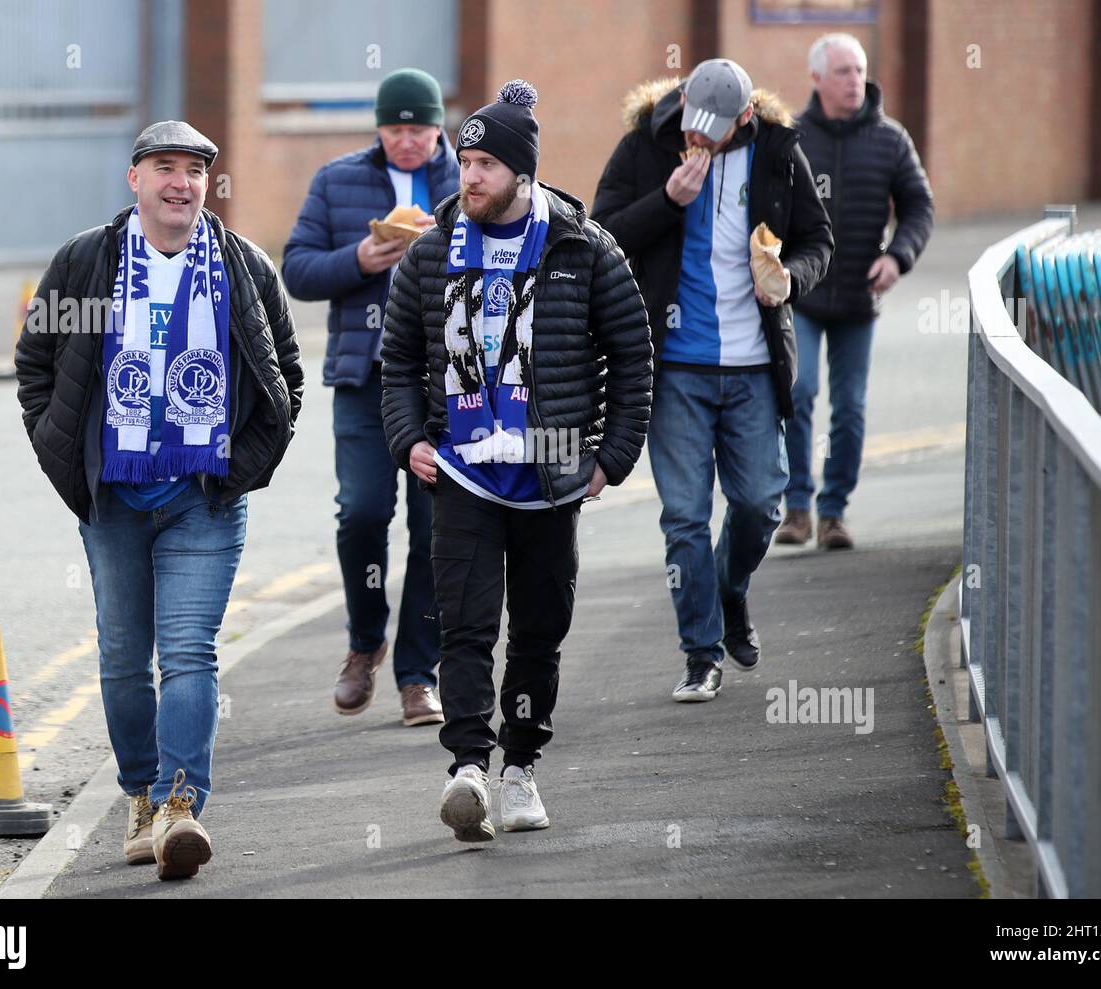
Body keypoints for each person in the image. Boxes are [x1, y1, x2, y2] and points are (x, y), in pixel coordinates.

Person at [15, 120, 303, 880]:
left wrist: (240, 468)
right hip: (112, 497)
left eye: (195, 171)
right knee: (120, 658)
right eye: (165, 168)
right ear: (135, 179)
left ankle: (181, 807)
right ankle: (139, 796)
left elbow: (286, 379)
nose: (181, 183)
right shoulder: (86, 262)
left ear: (209, 184)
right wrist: (67, 460)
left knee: (188, 653)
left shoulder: (243, 267)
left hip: (204, 497)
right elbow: (36, 361)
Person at [381, 80, 653, 841]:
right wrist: (410, 439)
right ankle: (468, 764)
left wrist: (611, 458)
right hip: (463, 469)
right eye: (463, 161)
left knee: (539, 630)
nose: (468, 176)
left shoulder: (583, 247)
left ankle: (520, 767)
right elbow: (397, 359)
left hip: (551, 474)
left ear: (522, 173)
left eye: (485, 165)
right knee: (465, 626)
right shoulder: (432, 251)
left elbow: (634, 357)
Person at [592, 58, 832, 703]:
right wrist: (667, 201)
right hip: (675, 367)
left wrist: (789, 279)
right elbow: (601, 235)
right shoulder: (647, 144)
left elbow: (817, 240)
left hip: (754, 366)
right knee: (684, 516)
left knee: (760, 505)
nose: (698, 139)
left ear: (746, 117)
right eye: (692, 125)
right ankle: (700, 653)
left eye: (715, 130)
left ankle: (729, 591)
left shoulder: (780, 153)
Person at [283, 68, 459, 726]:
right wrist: (358, 259)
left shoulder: (466, 179)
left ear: (438, 127)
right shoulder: (337, 180)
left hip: (444, 386)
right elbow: (296, 269)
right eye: (394, 129)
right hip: (365, 378)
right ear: (378, 129)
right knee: (361, 514)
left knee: (436, 528)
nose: (406, 141)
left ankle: (418, 675)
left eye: (418, 129)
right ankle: (364, 641)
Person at [776, 33, 934, 550]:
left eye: (859, 70)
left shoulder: (890, 139)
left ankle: (834, 512)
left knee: (851, 406)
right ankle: (796, 507)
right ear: (816, 79)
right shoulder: (791, 138)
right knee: (797, 394)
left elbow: (919, 207)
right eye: (843, 71)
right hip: (802, 293)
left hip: (858, 300)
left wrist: (898, 257)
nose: (854, 81)